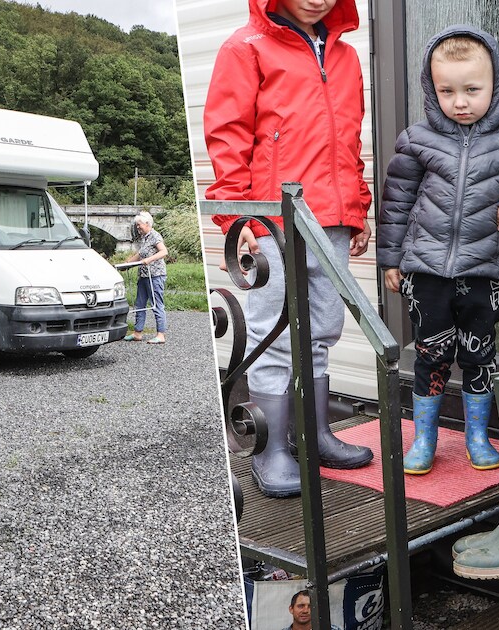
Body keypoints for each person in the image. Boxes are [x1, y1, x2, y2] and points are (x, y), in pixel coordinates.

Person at [204, 0, 374, 497]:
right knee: (272, 331)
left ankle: (316, 435)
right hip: (273, 219)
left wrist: (357, 209)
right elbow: (227, 137)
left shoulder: (345, 56)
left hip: (332, 217)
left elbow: (348, 140)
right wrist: (238, 220)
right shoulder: (245, 47)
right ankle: (270, 450)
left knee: (321, 328)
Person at [377, 26, 499, 475]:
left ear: (498, 84)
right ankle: (424, 440)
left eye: (472, 89)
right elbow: (396, 201)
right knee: (431, 353)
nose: (461, 101)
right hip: (426, 270)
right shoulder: (416, 139)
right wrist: (391, 260)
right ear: (432, 91)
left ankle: (477, 436)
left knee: (480, 352)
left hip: (486, 269)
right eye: (447, 91)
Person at [124, 211, 168, 344]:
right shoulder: (144, 237)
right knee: (140, 304)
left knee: (156, 304)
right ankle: (138, 333)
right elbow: (140, 254)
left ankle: (160, 335)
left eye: (139, 225)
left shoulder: (155, 235)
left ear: (147, 223)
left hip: (155, 275)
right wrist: (128, 264)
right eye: (137, 226)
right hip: (143, 275)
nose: (138, 228)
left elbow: (164, 252)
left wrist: (149, 260)